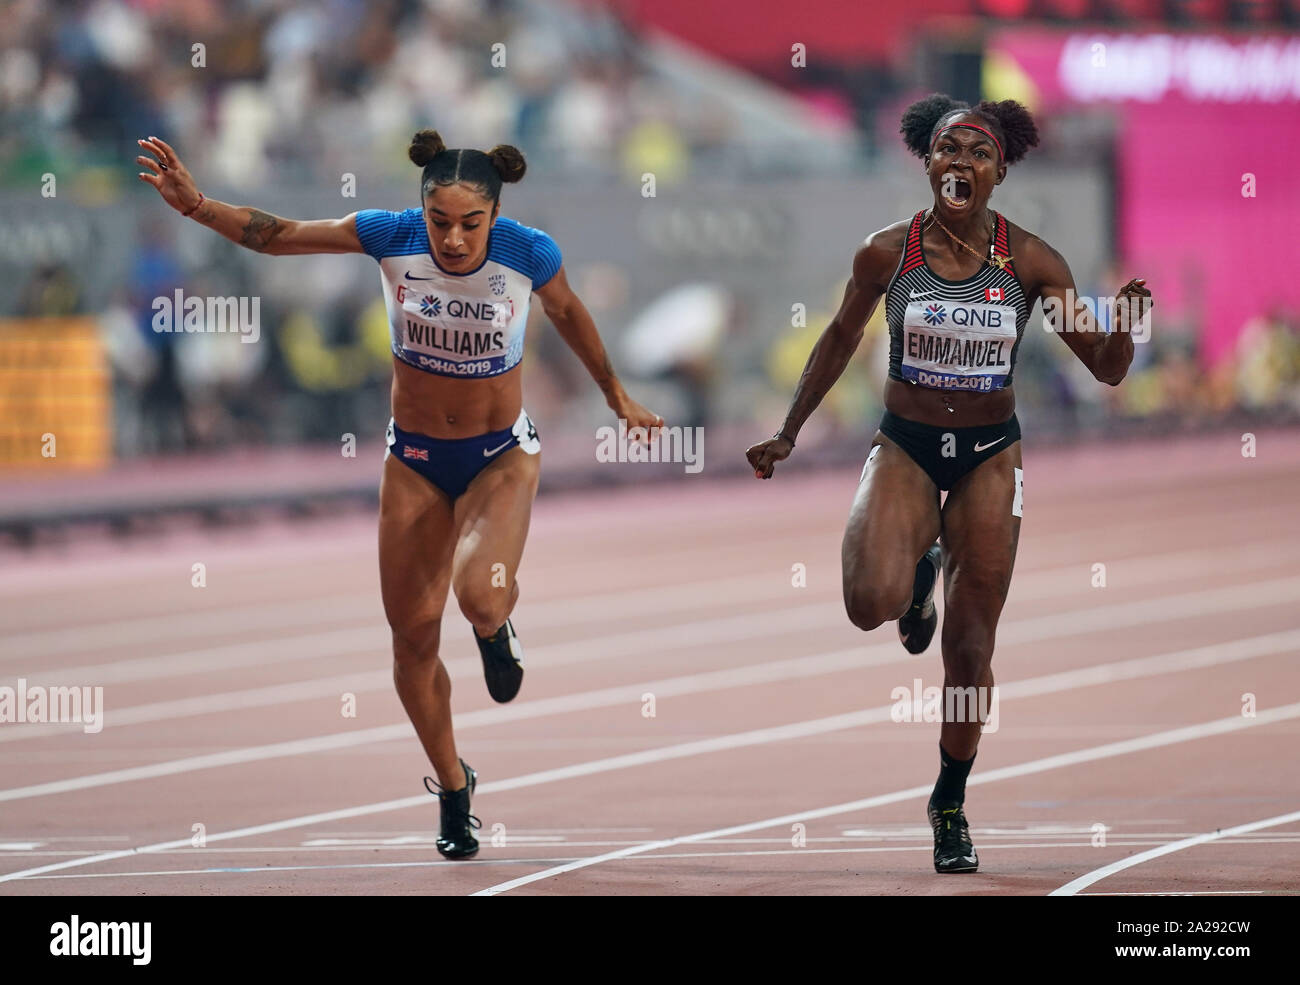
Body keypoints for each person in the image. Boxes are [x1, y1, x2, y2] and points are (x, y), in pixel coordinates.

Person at [137, 130, 661, 860]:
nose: (451, 238)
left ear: (495, 215)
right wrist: (196, 207)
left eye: (469, 224)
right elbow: (279, 234)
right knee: (412, 639)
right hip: (413, 459)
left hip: (498, 456)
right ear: (422, 208)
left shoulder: (528, 252)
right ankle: (454, 787)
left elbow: (570, 314)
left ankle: (496, 626)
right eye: (439, 220)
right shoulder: (388, 235)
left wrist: (616, 395)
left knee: (478, 594)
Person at [744, 95, 1151, 874]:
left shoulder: (1031, 261)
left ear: (1000, 169)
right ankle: (915, 579)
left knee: (969, 648)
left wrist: (1127, 326)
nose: (960, 161)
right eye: (945, 148)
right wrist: (789, 430)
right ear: (927, 164)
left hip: (991, 454)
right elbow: (838, 339)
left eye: (977, 151)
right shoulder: (887, 253)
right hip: (907, 443)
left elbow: (1104, 367)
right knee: (868, 603)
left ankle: (950, 802)